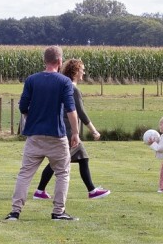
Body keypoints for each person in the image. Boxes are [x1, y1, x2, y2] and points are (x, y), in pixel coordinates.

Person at [6, 46, 80, 222]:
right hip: (57, 135)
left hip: (34, 136)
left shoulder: (32, 80)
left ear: (44, 61)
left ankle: (15, 211)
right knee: (62, 173)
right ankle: (58, 211)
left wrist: (31, 116)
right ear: (60, 61)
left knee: (25, 174)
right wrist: (75, 132)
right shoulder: (64, 82)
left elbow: (23, 106)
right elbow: (71, 109)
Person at [32, 58, 110, 200]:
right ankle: (40, 190)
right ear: (75, 71)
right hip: (68, 131)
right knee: (58, 161)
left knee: (82, 159)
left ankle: (91, 190)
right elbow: (80, 111)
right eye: (82, 69)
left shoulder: (63, 85)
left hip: (63, 129)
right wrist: (93, 130)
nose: (84, 72)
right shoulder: (72, 88)